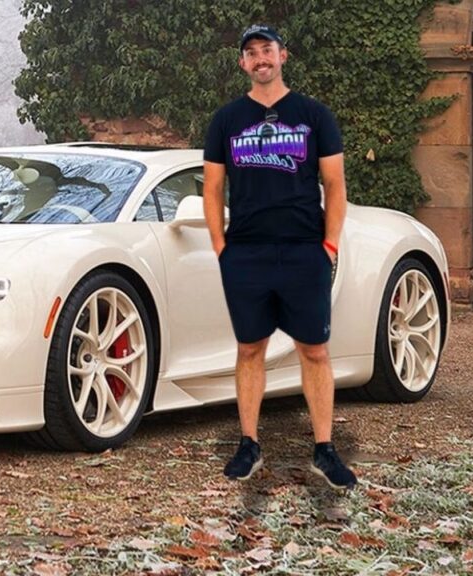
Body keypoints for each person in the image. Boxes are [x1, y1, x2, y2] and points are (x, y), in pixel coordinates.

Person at [202, 24, 357, 490]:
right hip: (246, 253)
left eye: (267, 49)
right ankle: (249, 443)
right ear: (243, 63)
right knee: (250, 348)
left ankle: (324, 448)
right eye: (251, 53)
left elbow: (335, 184)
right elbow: (212, 188)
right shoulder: (226, 120)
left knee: (315, 350)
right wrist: (221, 248)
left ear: (282, 56)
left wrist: (329, 245)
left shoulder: (314, 115)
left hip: (304, 250)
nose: (260, 58)